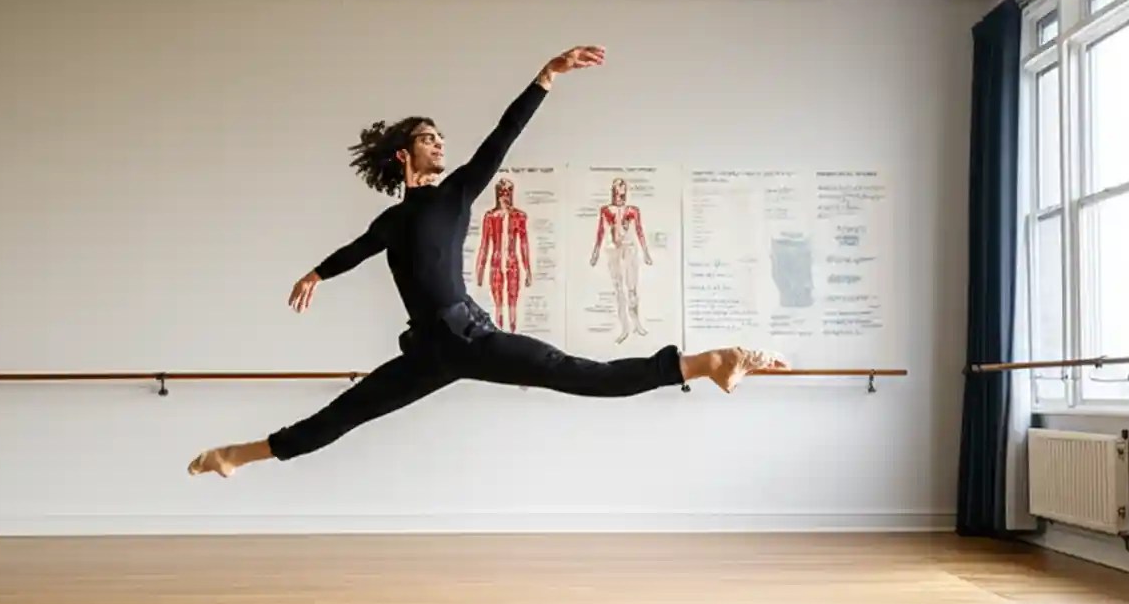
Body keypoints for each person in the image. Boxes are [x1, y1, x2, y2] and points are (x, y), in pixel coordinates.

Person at [188, 45, 788, 478]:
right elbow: (357, 250)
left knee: (581, 374)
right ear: (404, 155)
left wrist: (545, 77)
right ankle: (233, 456)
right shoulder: (395, 220)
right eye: (428, 138)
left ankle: (711, 361)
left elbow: (501, 137)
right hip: (428, 351)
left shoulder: (457, 194)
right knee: (344, 415)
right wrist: (317, 273)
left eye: (441, 137)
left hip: (469, 334)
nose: (440, 144)